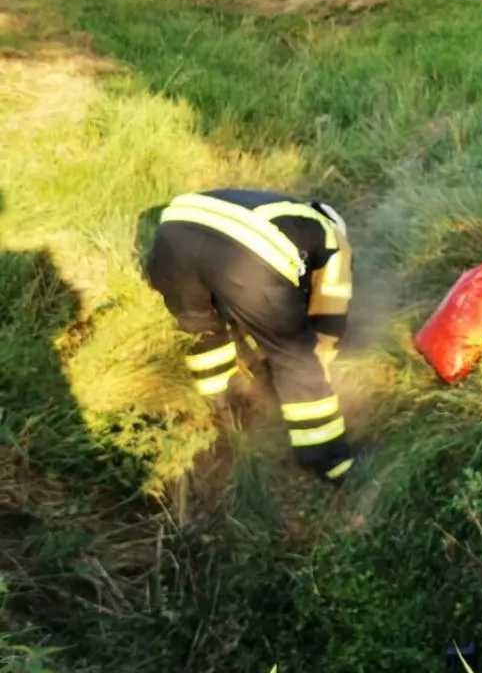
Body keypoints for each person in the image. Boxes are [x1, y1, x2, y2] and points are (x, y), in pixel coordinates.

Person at [143, 189, 358, 484]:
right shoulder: (335, 240)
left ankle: (224, 408)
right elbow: (329, 313)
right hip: (245, 251)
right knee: (293, 354)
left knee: (200, 328)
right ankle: (330, 461)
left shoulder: (284, 211)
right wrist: (319, 356)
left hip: (171, 237)